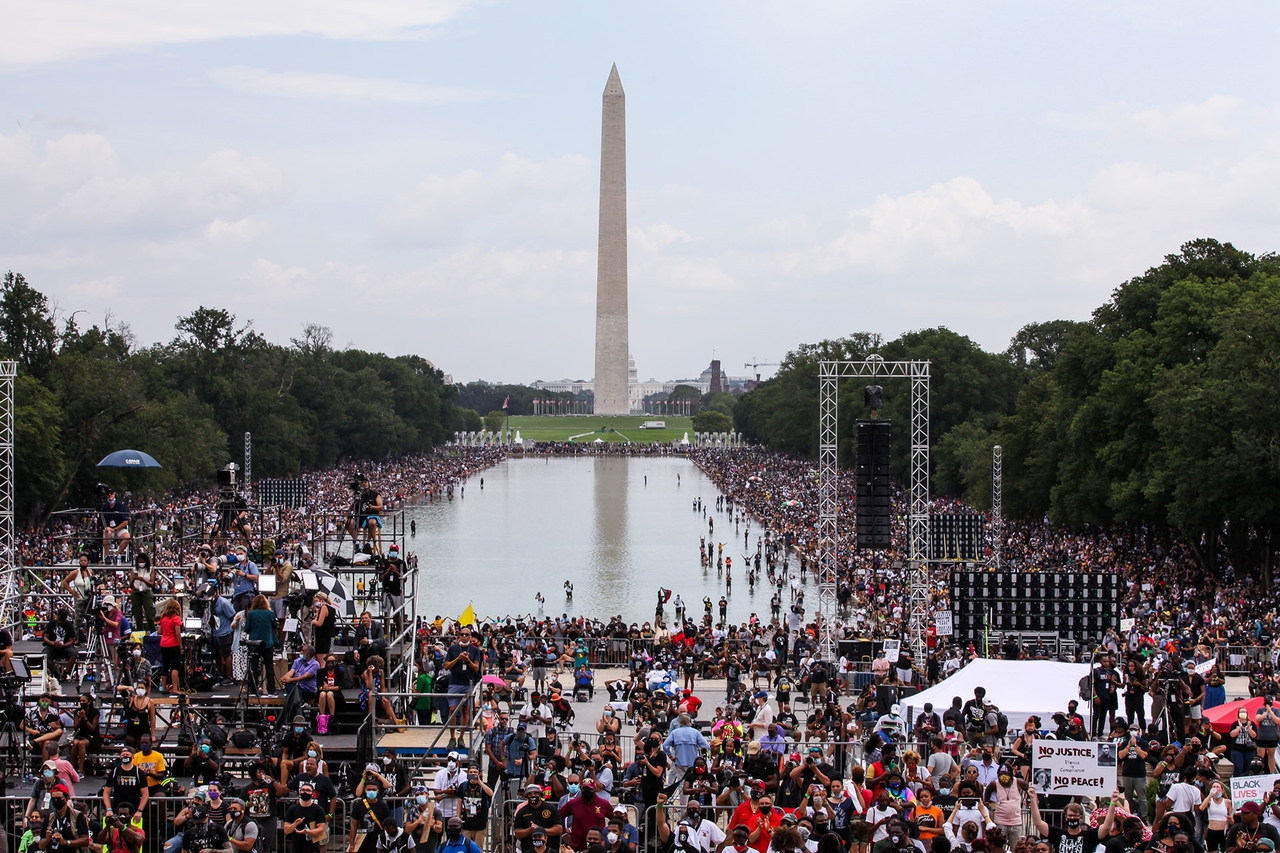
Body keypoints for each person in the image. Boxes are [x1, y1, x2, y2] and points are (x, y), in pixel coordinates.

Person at [444, 628, 482, 748]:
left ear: (471, 636)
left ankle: (461, 737)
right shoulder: (453, 649)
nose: (464, 636)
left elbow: (476, 668)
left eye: (467, 634)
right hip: (454, 683)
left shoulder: (475, 650)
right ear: (458, 636)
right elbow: (446, 666)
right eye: (462, 634)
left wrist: (467, 660)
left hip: (468, 683)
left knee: (466, 710)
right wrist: (458, 659)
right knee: (453, 709)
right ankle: (452, 737)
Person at [236, 595, 280, 694]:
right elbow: (275, 625)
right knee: (269, 666)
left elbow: (247, 629)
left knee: (253, 667)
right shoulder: (270, 613)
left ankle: (253, 689)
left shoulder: (251, 614)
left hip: (254, 643)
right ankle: (271, 689)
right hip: (267, 643)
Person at [102, 746, 149, 819]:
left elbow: (145, 794)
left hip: (134, 811)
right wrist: (108, 809)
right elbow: (106, 793)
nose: (125, 756)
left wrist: (139, 810)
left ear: (132, 756)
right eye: (123, 755)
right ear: (120, 757)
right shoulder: (114, 772)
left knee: (133, 830)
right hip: (117, 810)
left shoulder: (139, 773)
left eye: (127, 755)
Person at [41, 784, 90, 853]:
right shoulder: (49, 817)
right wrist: (47, 838)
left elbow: (85, 840)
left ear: (66, 798)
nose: (56, 801)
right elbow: (40, 845)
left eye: (59, 798)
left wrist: (66, 842)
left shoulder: (77, 815)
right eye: (53, 799)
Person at [349, 782, 393, 853]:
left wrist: (387, 843)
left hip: (378, 842)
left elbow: (387, 826)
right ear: (365, 790)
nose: (371, 791)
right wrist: (352, 843)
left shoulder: (383, 806)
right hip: (362, 841)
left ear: (378, 790)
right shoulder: (358, 805)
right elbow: (354, 826)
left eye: (374, 789)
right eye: (369, 789)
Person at [157, 598, 188, 694]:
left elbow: (159, 632)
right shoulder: (176, 619)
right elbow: (177, 633)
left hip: (163, 644)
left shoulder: (163, 618)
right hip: (173, 644)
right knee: (175, 666)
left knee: (165, 665)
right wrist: (181, 646)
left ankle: (164, 688)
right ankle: (175, 688)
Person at [42, 609, 77, 679]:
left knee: (74, 654)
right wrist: (51, 643)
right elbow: (45, 637)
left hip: (65, 647)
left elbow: (71, 640)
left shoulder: (69, 625)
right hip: (52, 646)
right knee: (44, 656)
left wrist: (64, 645)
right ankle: (54, 672)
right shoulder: (52, 623)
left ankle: (66, 673)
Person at [70, 695, 101, 776]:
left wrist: (85, 718)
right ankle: (72, 768)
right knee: (75, 743)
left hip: (92, 736)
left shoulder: (95, 713)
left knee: (81, 744)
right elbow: (75, 728)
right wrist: (80, 718)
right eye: (80, 701)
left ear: (89, 702)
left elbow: (92, 729)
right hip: (81, 734)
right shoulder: (77, 712)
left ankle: (80, 769)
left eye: (84, 701)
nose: (82, 703)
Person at [122, 679, 156, 747]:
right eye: (139, 688)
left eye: (142, 688)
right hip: (131, 728)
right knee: (130, 746)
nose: (140, 689)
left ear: (145, 689)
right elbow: (118, 688)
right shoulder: (132, 698)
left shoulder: (150, 701)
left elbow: (152, 719)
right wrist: (128, 687)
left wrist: (153, 735)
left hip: (143, 728)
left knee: (143, 746)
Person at [100, 488, 131, 562]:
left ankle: (117, 554)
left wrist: (115, 529)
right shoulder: (105, 507)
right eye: (108, 494)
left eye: (111, 493)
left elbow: (125, 522)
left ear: (115, 494)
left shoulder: (121, 506)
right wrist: (108, 529)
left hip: (119, 528)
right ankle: (107, 556)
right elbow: (102, 521)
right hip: (109, 528)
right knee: (106, 534)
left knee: (127, 537)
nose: (110, 495)